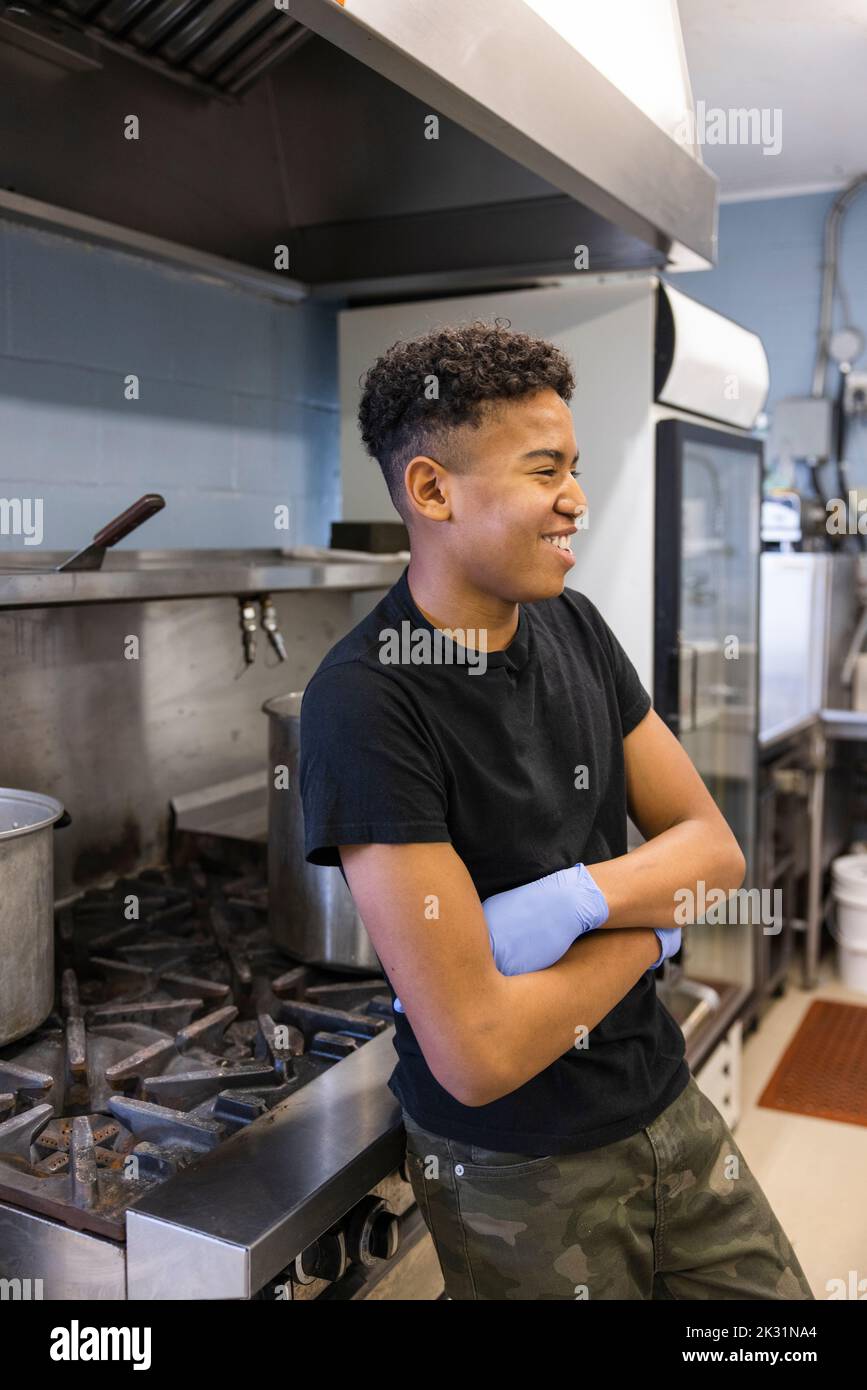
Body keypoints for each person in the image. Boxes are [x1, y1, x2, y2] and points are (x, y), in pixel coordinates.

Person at [298, 319, 814, 1301]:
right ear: (433, 490)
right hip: (517, 1168)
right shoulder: (366, 703)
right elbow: (480, 1052)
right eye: (545, 471)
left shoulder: (571, 625)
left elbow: (716, 850)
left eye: (573, 466)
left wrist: (577, 900)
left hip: (661, 1094)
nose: (576, 498)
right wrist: (652, 927)